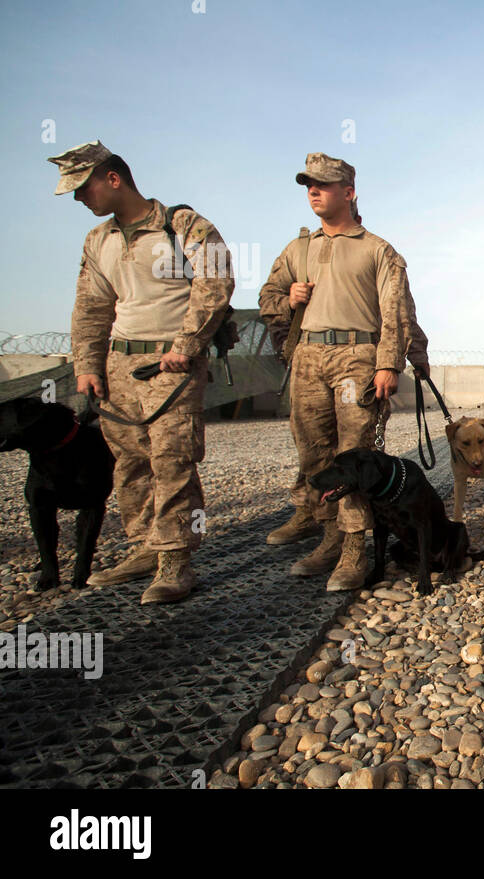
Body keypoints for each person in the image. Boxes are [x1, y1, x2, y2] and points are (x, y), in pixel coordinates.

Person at [53, 140, 233, 603]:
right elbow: (91, 307)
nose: (79, 199)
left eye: (83, 187)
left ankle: (176, 559)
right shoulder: (98, 240)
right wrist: (88, 367)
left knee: (172, 459)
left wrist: (187, 345)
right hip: (119, 363)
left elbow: (215, 285)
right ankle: (145, 547)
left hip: (170, 361)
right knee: (130, 463)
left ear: (114, 178)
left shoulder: (184, 225)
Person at [258, 153, 420, 591]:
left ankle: (353, 552)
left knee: (354, 455)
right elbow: (266, 300)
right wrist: (287, 298)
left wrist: (389, 364)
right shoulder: (298, 249)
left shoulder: (378, 250)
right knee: (314, 455)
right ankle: (329, 537)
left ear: (348, 192)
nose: (313, 190)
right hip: (308, 357)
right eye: (308, 184)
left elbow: (396, 313)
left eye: (324, 184)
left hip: (357, 359)